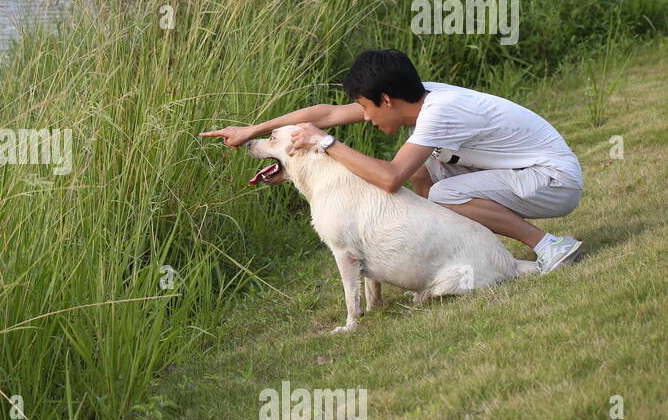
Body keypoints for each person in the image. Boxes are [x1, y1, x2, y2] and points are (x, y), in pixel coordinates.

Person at [202, 49, 584, 273]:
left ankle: (550, 246)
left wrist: (326, 142)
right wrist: (253, 130)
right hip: (525, 172)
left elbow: (389, 179)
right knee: (424, 169)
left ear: (386, 99)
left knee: (442, 192)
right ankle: (445, 255)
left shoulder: (440, 112)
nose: (365, 117)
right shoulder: (422, 98)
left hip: (553, 180)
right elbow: (328, 113)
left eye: (367, 108)